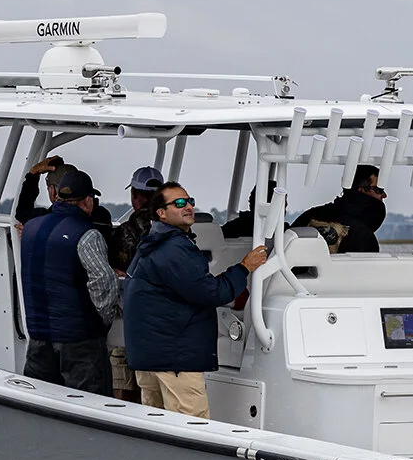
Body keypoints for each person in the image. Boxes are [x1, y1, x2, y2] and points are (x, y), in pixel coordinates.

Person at [123, 181, 268, 417]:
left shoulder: (152, 244)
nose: (188, 206)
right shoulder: (174, 248)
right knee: (191, 429)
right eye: (179, 203)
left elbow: (187, 287)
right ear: (161, 213)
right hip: (175, 361)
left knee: (156, 429)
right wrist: (243, 268)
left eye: (190, 201)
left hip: (151, 357)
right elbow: (211, 293)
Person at [18, 167, 118, 395]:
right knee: (91, 407)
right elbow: (104, 281)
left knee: (40, 404)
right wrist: (104, 321)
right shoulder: (87, 234)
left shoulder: (30, 229)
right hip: (79, 341)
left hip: (38, 337)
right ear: (87, 202)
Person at [104, 165, 164, 403]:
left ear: (135, 196)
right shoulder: (175, 229)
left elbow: (116, 273)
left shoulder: (126, 232)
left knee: (122, 373)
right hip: (162, 319)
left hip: (132, 316)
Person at [295, 164, 386, 253]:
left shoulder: (309, 216)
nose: (384, 195)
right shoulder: (363, 236)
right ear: (361, 190)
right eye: (379, 190)